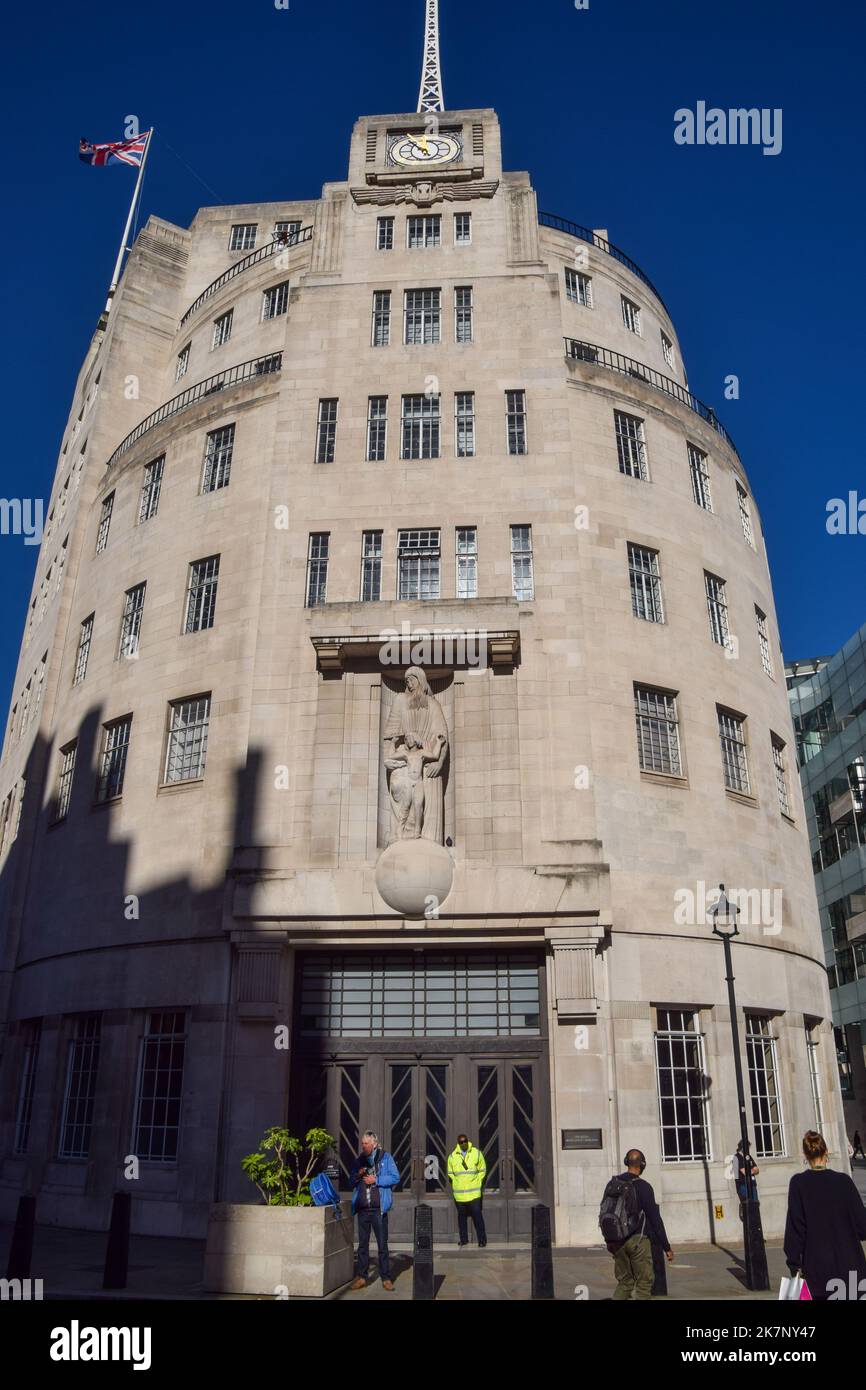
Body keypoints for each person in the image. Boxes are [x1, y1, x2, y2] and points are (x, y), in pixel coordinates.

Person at [784, 1130, 866, 1301]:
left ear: (805, 1155)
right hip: (850, 1270)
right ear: (826, 1152)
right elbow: (862, 1226)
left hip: (818, 1270)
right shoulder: (844, 1181)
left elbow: (795, 1228)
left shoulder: (799, 1184)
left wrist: (793, 1262)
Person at [601, 1149, 674, 1300]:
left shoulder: (613, 1183)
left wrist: (609, 1241)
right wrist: (666, 1247)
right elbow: (655, 1220)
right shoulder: (644, 1187)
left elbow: (605, 1211)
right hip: (638, 1240)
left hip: (616, 1241)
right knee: (643, 1283)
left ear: (626, 1162)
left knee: (625, 1282)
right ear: (642, 1164)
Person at [349, 1130, 400, 1291]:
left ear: (374, 1144)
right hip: (363, 1209)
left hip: (379, 1210)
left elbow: (395, 1177)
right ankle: (362, 1277)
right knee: (362, 1246)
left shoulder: (386, 1158)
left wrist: (376, 1180)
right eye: (362, 1143)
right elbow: (350, 1182)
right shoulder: (359, 1161)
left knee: (382, 1246)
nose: (363, 1146)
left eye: (366, 1144)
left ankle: (386, 1278)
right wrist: (358, 1174)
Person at [447, 1134, 487, 1248]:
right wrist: (456, 1183)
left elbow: (482, 1169)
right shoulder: (452, 1157)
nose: (463, 1143)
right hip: (460, 1194)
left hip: (474, 1193)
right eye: (461, 1142)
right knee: (461, 1218)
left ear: (468, 1141)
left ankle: (482, 1240)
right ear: (458, 1143)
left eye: (465, 1141)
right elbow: (450, 1173)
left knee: (477, 1217)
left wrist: (478, 1181)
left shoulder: (476, 1153)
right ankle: (463, 1239)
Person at [734, 1140, 760, 1219]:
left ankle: (755, 1225)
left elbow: (757, 1169)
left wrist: (751, 1171)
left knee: (755, 1205)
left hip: (752, 1184)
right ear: (742, 1147)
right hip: (743, 1185)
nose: (748, 1149)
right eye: (747, 1147)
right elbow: (744, 1172)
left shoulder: (748, 1156)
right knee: (748, 1205)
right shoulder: (736, 1158)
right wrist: (752, 1170)